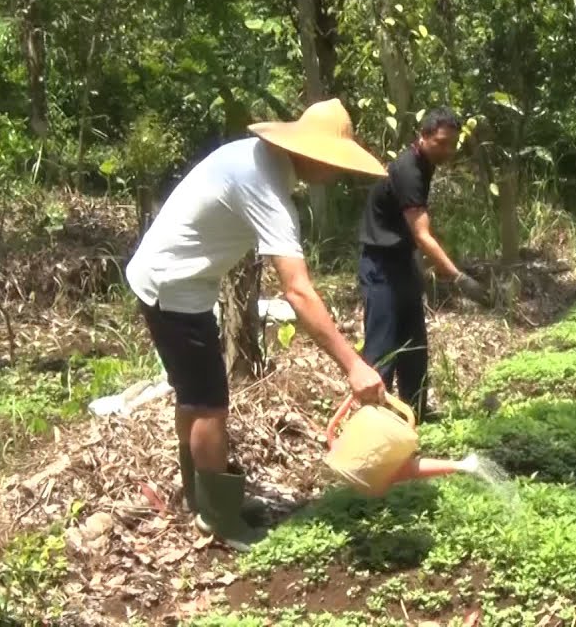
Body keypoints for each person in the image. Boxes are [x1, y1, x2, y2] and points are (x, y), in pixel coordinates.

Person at [125, 98, 389, 551]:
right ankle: (219, 519)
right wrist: (354, 365)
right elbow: (299, 292)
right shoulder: (266, 189)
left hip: (170, 280)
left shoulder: (254, 158)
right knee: (210, 404)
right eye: (332, 163)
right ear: (310, 154)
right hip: (174, 289)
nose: (335, 173)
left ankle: (202, 498)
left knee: (194, 396)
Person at [357, 107, 485, 422]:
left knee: (413, 345)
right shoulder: (409, 170)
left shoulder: (425, 163)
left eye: (453, 144)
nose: (448, 151)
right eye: (442, 143)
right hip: (380, 266)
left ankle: (415, 412)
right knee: (383, 347)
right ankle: (373, 423)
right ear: (424, 136)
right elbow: (423, 235)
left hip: (402, 261)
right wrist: (458, 279)